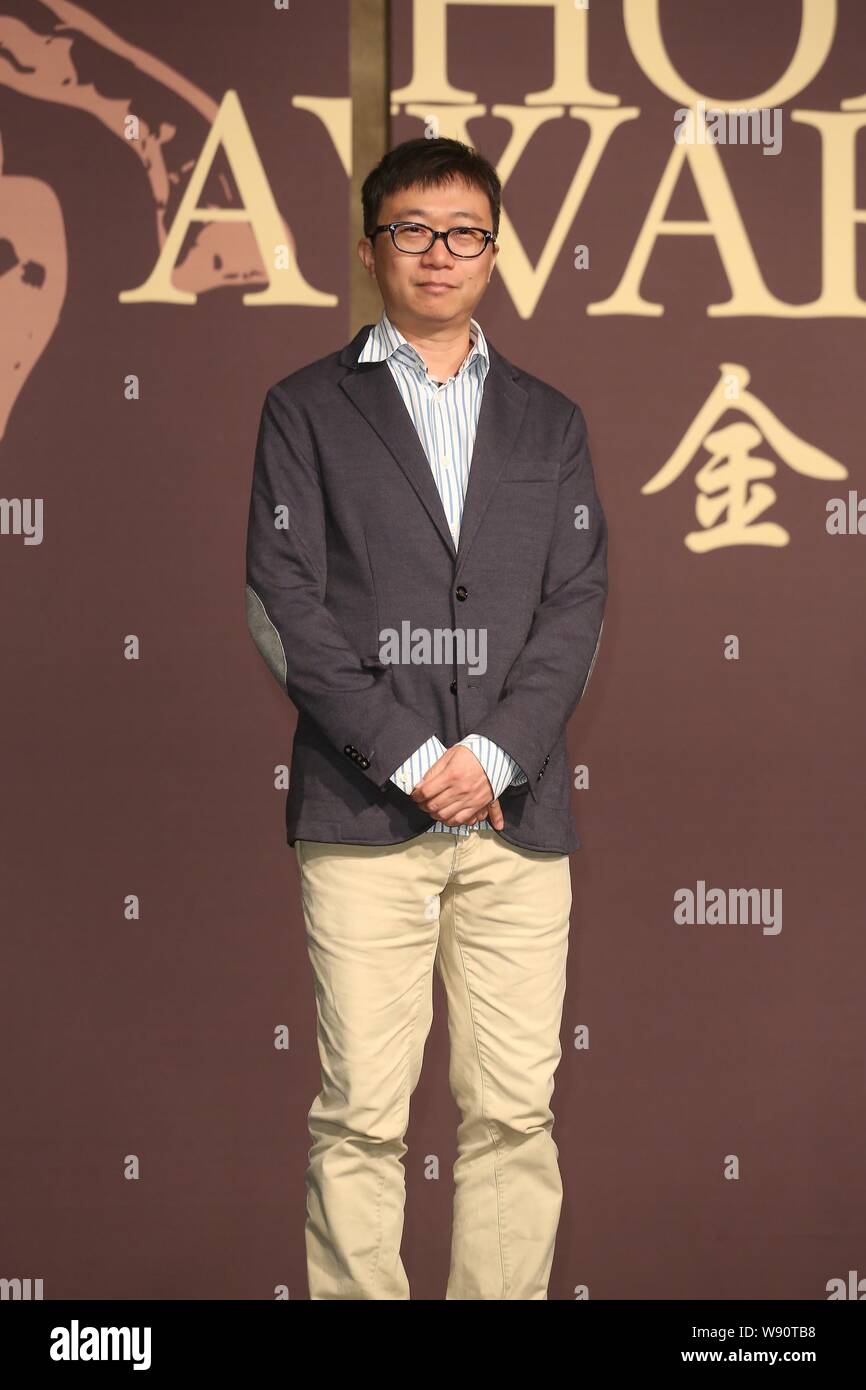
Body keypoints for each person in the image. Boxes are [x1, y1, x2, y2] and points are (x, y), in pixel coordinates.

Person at [244, 136, 608, 1299]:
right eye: (411, 230)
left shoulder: (549, 421)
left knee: (513, 1110)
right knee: (359, 1114)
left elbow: (575, 602)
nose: (437, 253)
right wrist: (411, 756)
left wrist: (493, 752)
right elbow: (283, 601)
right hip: (361, 813)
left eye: (462, 232)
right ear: (369, 248)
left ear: (494, 251)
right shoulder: (303, 407)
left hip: (515, 816)